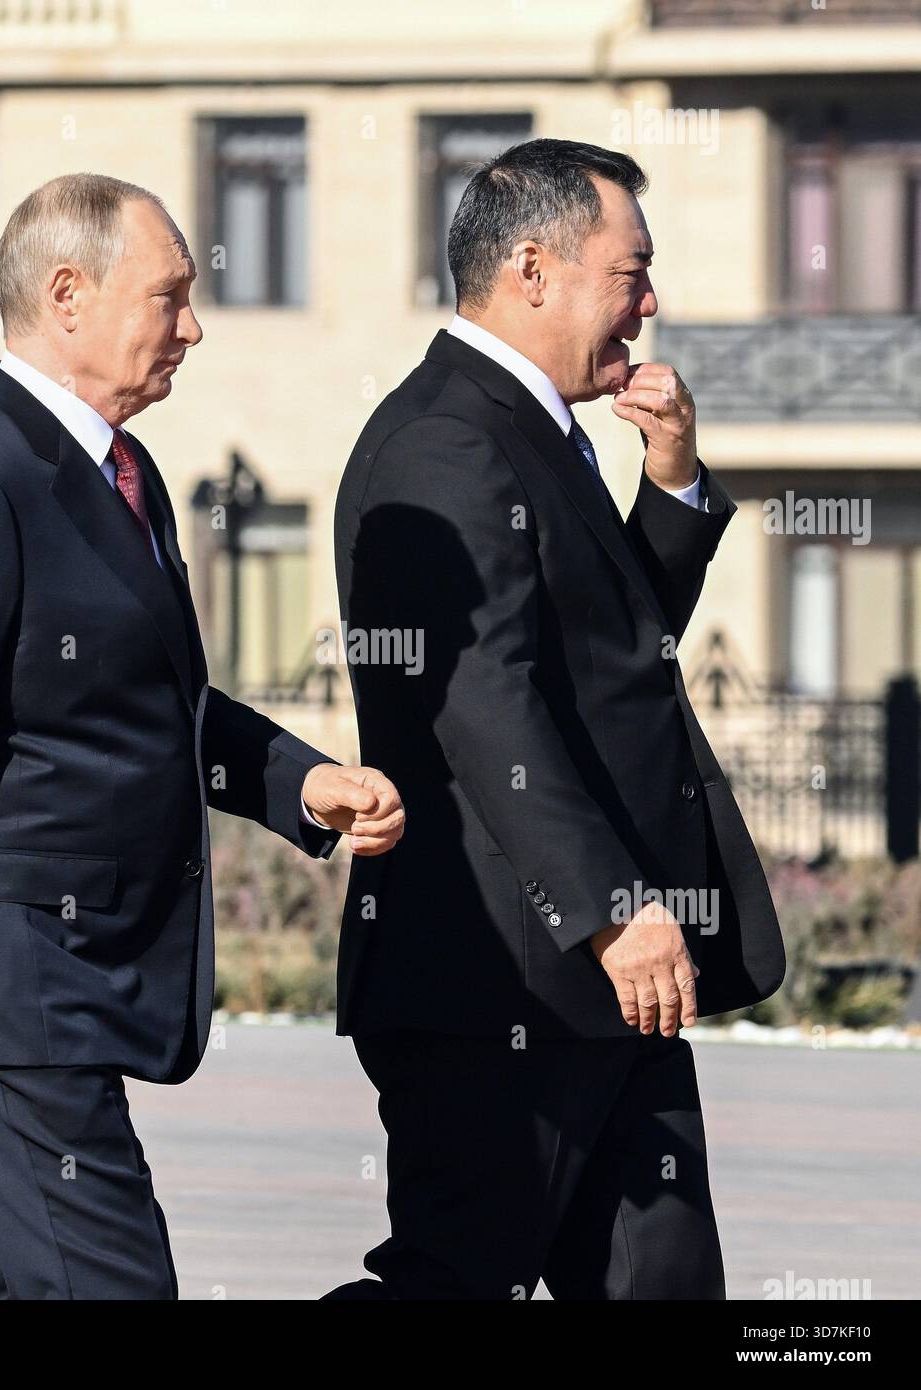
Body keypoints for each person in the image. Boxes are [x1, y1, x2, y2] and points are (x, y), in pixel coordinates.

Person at [0, 173, 404, 1300]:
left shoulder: (118, 475)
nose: (193, 326)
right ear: (67, 294)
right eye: (170, 296)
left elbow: (158, 704)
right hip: (21, 1000)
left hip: (78, 987)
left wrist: (304, 780)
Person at [328, 139, 784, 1300]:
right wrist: (611, 908)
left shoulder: (536, 430)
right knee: (456, 1279)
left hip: (613, 977)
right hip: (507, 976)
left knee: (661, 1279)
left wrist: (671, 482)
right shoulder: (445, 438)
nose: (650, 301)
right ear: (533, 269)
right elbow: (486, 702)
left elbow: (608, 653)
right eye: (630, 271)